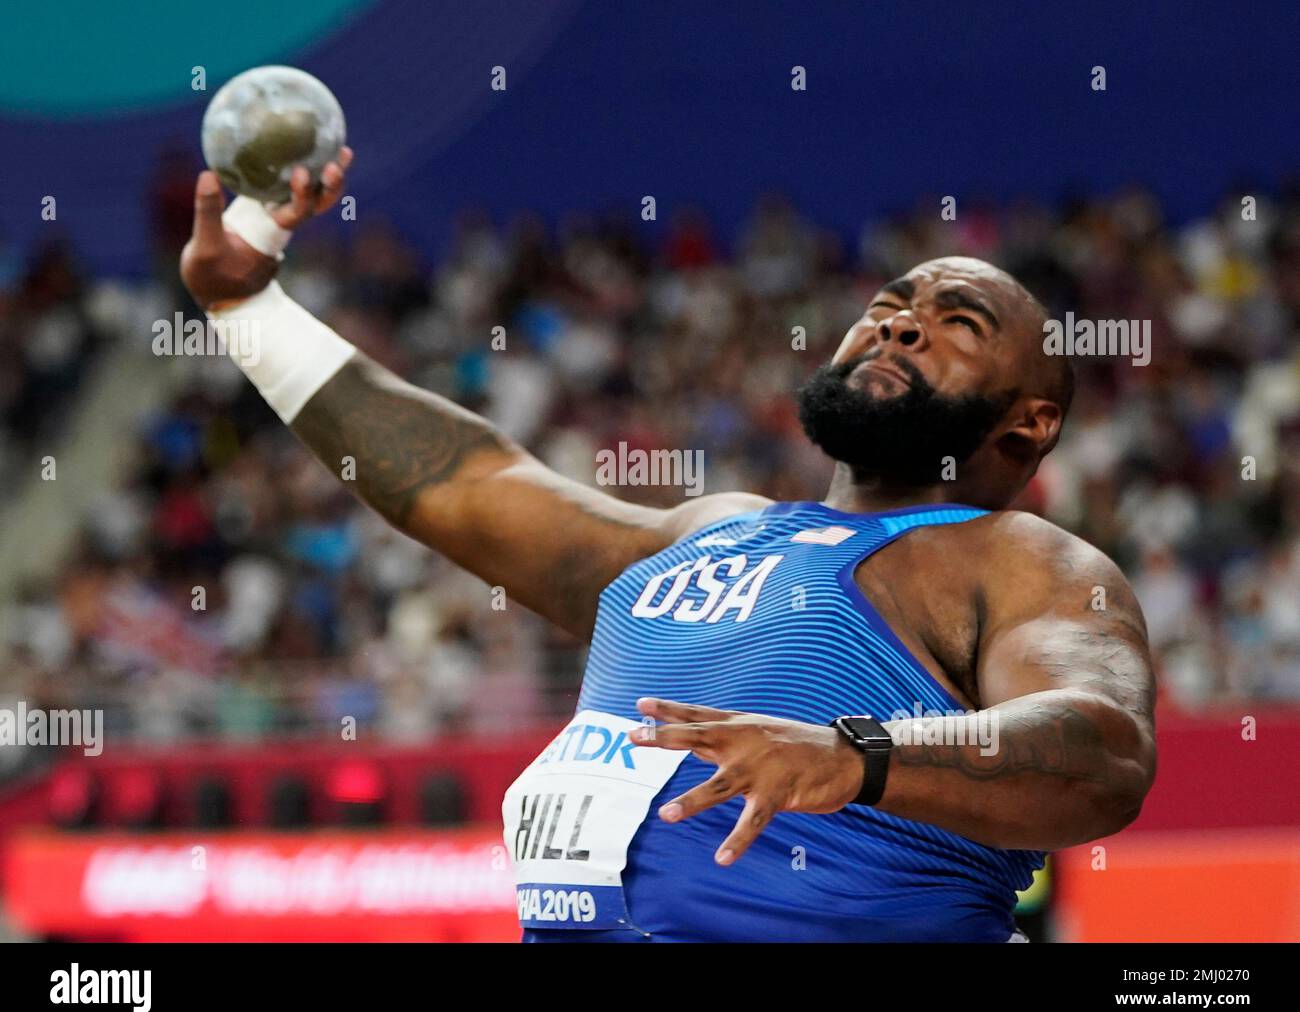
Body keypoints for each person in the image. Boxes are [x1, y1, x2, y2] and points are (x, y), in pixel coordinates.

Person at [181, 151, 1156, 942]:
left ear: (1027, 426)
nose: (901, 323)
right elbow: (465, 488)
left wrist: (857, 754)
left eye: (956, 324)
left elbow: (1104, 755)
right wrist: (252, 312)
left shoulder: (1021, 558)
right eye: (890, 305)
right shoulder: (710, 531)